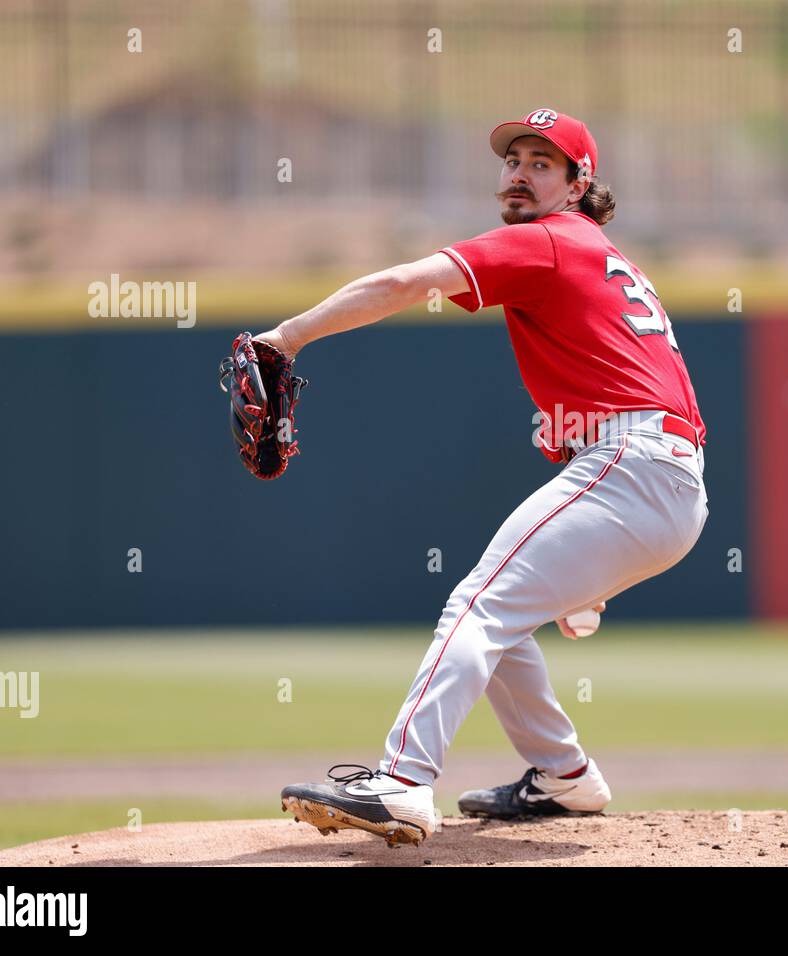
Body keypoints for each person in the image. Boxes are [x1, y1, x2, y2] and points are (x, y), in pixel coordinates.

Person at [272, 108, 709, 846]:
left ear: (578, 184)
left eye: (544, 162)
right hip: (661, 475)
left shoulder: (545, 241)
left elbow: (405, 281)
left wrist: (285, 338)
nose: (519, 171)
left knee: (475, 601)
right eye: (514, 159)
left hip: (633, 466)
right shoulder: (601, 255)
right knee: (501, 618)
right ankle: (564, 777)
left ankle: (403, 782)